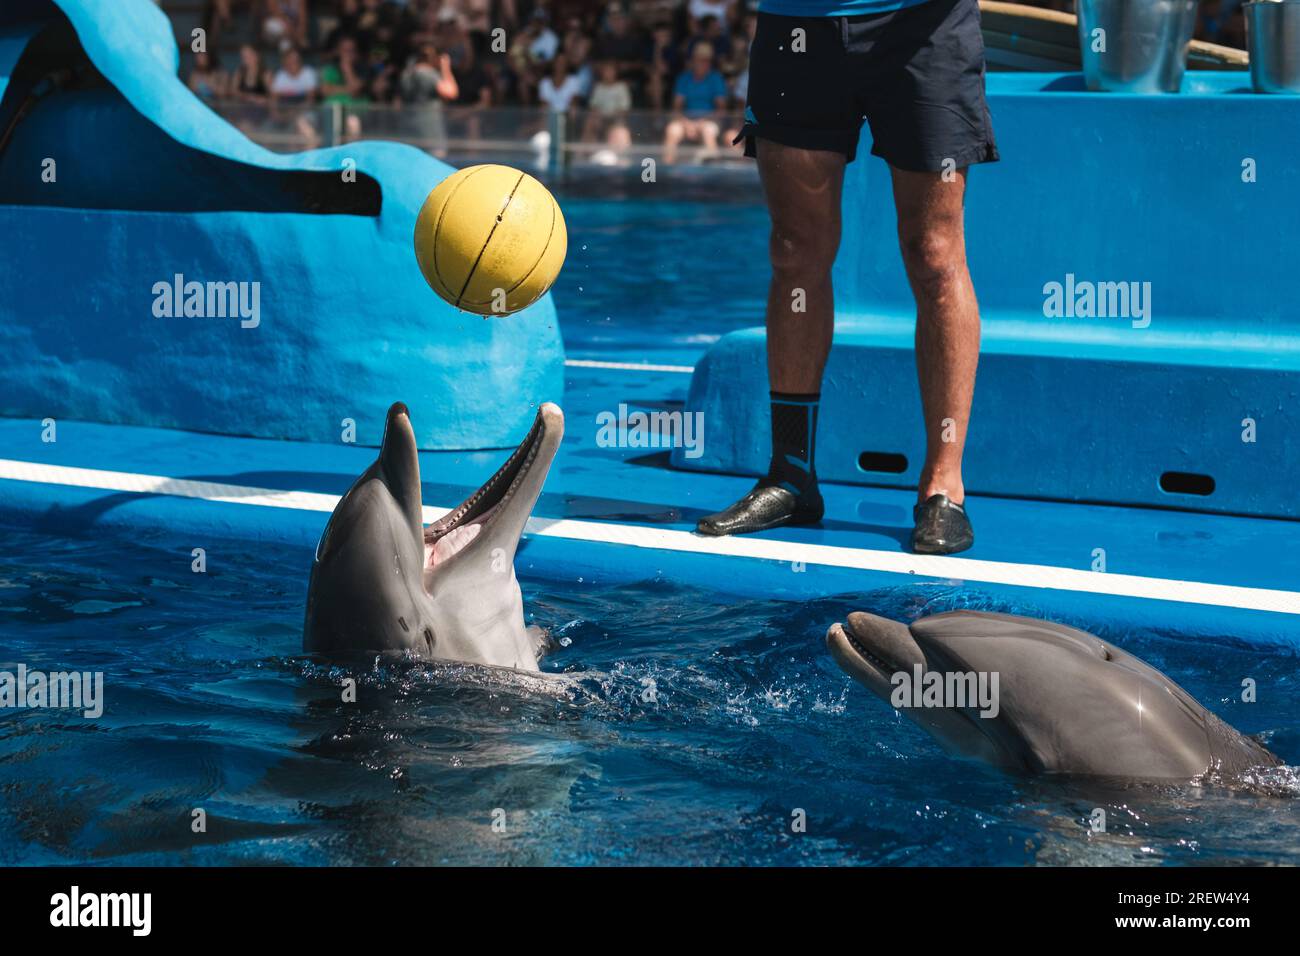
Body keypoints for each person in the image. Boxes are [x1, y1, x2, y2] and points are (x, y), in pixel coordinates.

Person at [694, 0, 998, 555]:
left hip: (922, 25)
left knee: (933, 252)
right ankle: (791, 477)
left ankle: (943, 489)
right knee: (794, 250)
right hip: (797, 21)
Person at [663, 42, 727, 164]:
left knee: (708, 131)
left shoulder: (716, 78)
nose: (705, 63)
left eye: (707, 60)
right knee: (672, 130)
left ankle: (715, 172)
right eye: (701, 60)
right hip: (685, 122)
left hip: (708, 121)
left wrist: (701, 122)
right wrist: (687, 123)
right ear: (693, 61)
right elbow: (676, 107)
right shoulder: (684, 78)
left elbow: (721, 109)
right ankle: (667, 168)